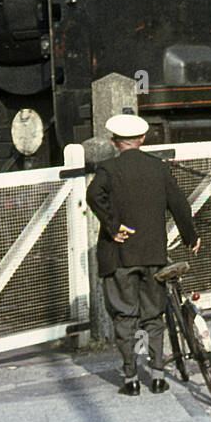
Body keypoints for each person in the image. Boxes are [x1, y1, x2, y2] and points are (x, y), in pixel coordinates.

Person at [86, 114, 201, 396]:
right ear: (143, 139)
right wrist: (191, 237)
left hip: (120, 256)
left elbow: (92, 196)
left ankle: (131, 380)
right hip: (154, 256)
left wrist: (113, 227)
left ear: (114, 142)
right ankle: (159, 377)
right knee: (153, 316)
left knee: (125, 317)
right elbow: (179, 205)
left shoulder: (108, 169)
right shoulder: (158, 168)